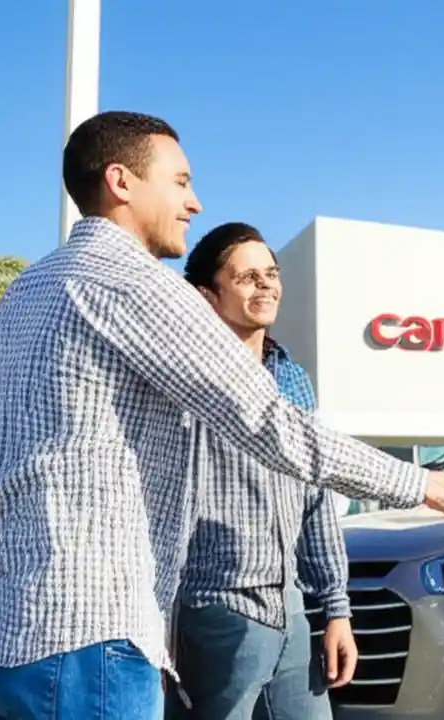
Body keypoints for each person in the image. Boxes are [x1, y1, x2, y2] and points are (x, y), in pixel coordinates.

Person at [0, 111, 444, 720]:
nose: (194, 201)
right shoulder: (135, 283)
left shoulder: (26, 290)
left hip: (15, 631)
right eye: (180, 181)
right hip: (93, 636)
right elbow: (271, 423)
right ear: (121, 182)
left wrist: (332, 604)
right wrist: (430, 485)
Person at [168, 222, 351, 720]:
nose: (266, 285)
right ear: (207, 296)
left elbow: (316, 496)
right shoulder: (185, 381)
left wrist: (336, 608)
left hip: (290, 609)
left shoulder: (292, 378)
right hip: (212, 610)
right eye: (248, 277)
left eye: (270, 273)